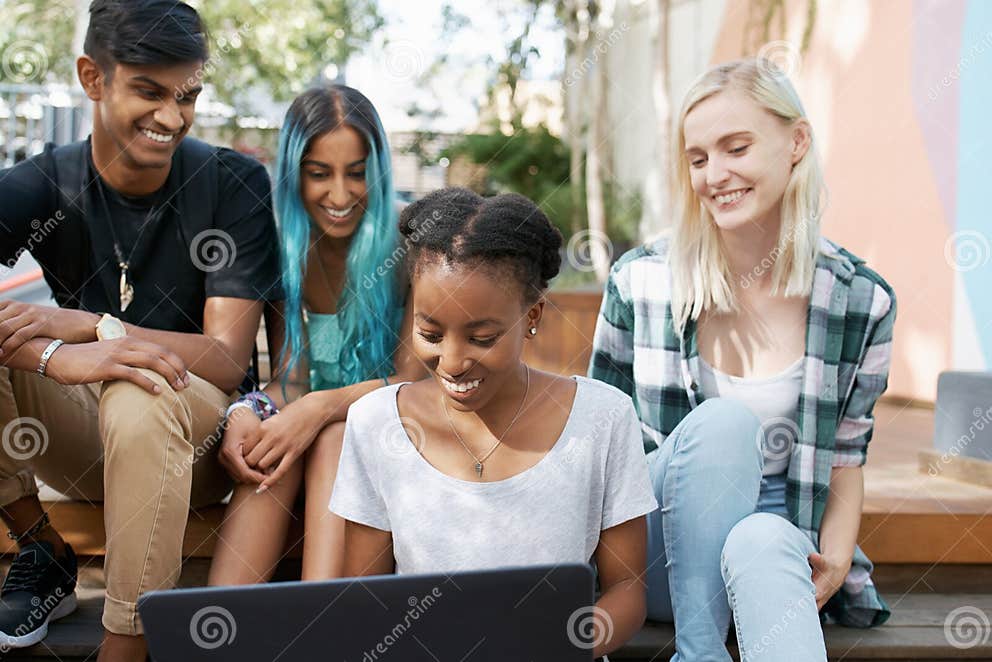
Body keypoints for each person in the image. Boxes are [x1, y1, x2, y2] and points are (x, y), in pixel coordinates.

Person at [589, 57, 896, 661]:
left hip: (772, 556)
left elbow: (846, 457)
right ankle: (698, 654)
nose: (715, 175)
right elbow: (603, 437)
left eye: (736, 148)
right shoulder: (643, 281)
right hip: (656, 551)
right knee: (727, 425)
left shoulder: (862, 299)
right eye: (698, 159)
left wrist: (833, 559)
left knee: (761, 535)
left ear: (796, 143)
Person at [0, 1, 281, 659]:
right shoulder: (48, 180)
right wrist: (50, 358)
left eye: (187, 96)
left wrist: (98, 330)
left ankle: (126, 641)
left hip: (203, 441)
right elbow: (57, 356)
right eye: (149, 92)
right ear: (92, 78)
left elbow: (222, 357)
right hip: (83, 438)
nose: (173, 117)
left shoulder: (231, 182)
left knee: (139, 381)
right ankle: (40, 545)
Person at [330, 188, 659, 661]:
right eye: (429, 333)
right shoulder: (376, 422)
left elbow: (627, 590)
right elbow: (366, 602)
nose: (452, 361)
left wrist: (554, 648)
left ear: (533, 316)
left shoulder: (603, 417)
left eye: (482, 337)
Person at [207, 85, 422, 585]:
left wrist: (319, 408)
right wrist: (247, 412)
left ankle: (326, 620)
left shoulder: (410, 247)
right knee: (271, 448)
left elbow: (414, 383)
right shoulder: (287, 250)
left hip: (405, 434)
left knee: (333, 434)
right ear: (294, 172)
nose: (341, 195)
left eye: (357, 173)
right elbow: (292, 382)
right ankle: (217, 626)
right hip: (317, 446)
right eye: (319, 174)